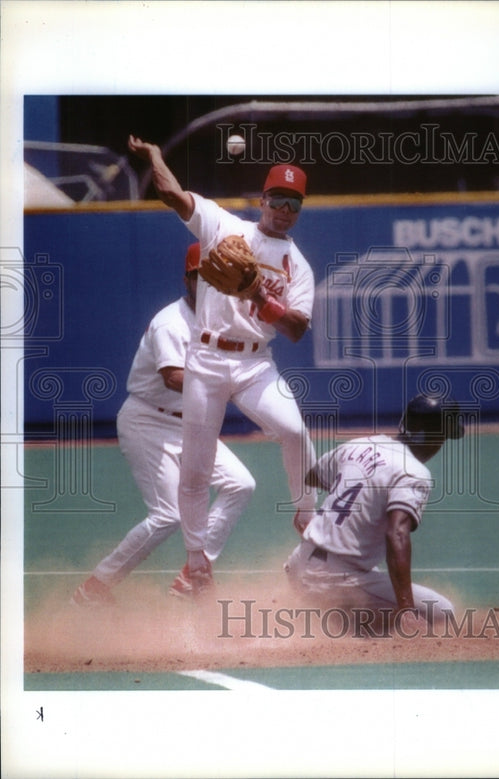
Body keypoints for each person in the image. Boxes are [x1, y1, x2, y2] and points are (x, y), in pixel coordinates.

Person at [127, 135, 317, 595]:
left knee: (293, 430)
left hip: (255, 364)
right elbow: (172, 194)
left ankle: (306, 511)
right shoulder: (223, 226)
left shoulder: (298, 265)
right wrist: (155, 156)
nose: (284, 209)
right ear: (262, 199)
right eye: (278, 199)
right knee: (196, 468)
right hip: (208, 358)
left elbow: (296, 329)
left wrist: (258, 298)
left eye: (294, 203)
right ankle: (197, 562)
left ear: (299, 210)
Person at [70, 243, 255, 606]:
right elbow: (172, 377)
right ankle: (95, 589)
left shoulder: (227, 322)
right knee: (168, 515)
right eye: (202, 278)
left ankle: (193, 574)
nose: (210, 286)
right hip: (147, 420)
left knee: (241, 484)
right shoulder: (170, 322)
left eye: (219, 279)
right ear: (187, 279)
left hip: (189, 424)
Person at [284, 395, 465, 625]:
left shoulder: (361, 444)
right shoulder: (414, 473)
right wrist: (406, 609)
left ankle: (329, 611)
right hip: (331, 581)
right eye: (444, 438)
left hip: (298, 563)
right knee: (441, 613)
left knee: (373, 572)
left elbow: (312, 476)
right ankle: (340, 619)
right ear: (434, 437)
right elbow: (397, 534)